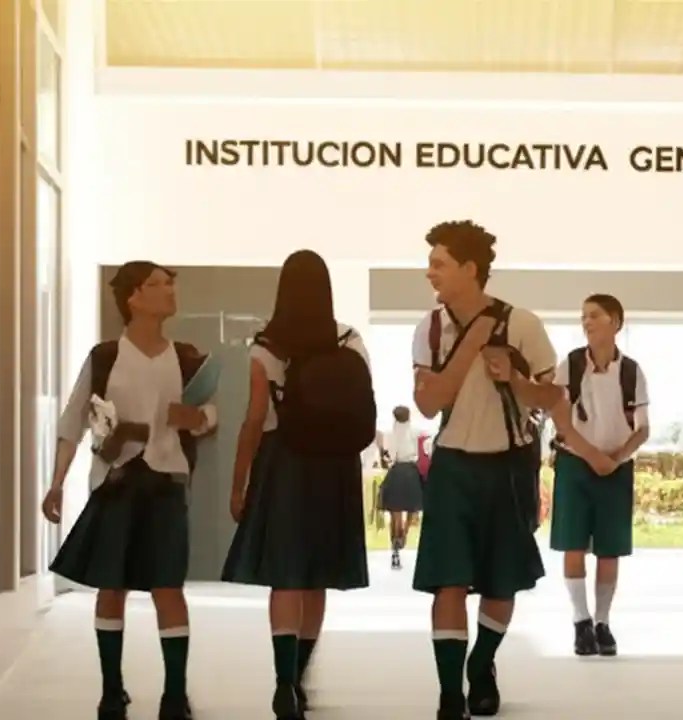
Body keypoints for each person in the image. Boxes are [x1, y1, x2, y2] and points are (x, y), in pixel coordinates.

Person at [43, 261, 218, 720]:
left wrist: (197, 419)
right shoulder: (105, 357)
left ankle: (174, 696)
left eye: (170, 282)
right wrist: (56, 483)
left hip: (165, 484)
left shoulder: (185, 357)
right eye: (158, 284)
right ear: (133, 297)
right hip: (116, 484)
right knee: (112, 586)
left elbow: (210, 414)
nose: (170, 290)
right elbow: (73, 421)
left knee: (168, 587)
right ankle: (111, 692)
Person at [411, 220, 563, 719]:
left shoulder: (522, 324)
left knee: (502, 581)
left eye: (439, 263)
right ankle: (449, 695)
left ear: (470, 268)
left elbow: (553, 396)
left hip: (508, 466)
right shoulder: (431, 328)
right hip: (452, 466)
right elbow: (428, 403)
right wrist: (473, 340)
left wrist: (515, 377)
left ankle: (481, 664)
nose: (430, 272)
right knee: (448, 581)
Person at [222, 249, 372, 720]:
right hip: (335, 465)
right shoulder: (349, 339)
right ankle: (301, 676)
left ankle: (284, 683)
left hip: (283, 462)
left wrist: (239, 483)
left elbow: (254, 420)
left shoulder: (267, 347)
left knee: (286, 575)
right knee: (316, 574)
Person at [548, 294, 650, 657]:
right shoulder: (571, 365)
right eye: (583, 316)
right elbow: (561, 421)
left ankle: (603, 622)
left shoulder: (632, 371)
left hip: (616, 468)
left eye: (594, 315)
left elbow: (642, 428)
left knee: (610, 549)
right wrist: (591, 455)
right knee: (573, 543)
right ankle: (581, 621)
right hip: (575, 463)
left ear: (615, 322)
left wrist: (616, 458)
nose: (587, 322)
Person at [380, 405, 424, 570]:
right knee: (414, 507)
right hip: (411, 471)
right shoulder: (416, 431)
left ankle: (395, 547)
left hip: (397, 471)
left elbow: (390, 456)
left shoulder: (390, 434)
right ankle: (404, 532)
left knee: (395, 512)